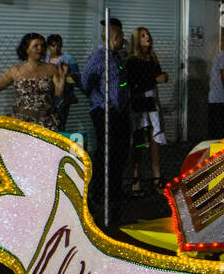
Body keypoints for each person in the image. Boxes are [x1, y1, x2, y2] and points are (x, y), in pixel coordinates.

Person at [83, 18, 130, 229]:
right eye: (121, 36)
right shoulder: (97, 57)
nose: (123, 39)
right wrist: (103, 101)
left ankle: (115, 190)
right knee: (105, 152)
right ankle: (99, 194)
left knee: (121, 151)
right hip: (104, 112)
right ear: (114, 38)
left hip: (120, 112)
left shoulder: (117, 57)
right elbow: (86, 83)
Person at [0, 33, 65, 130]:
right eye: (36, 46)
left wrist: (62, 80)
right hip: (22, 122)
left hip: (46, 122)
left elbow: (58, 93)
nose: (41, 48)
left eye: (43, 46)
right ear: (26, 49)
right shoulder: (15, 71)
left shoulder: (52, 69)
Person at [126, 26, 168, 195]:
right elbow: (133, 83)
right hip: (138, 101)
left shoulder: (152, 57)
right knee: (137, 141)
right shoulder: (132, 60)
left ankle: (156, 176)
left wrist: (160, 78)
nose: (147, 37)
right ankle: (135, 177)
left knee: (155, 139)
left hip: (152, 100)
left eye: (148, 34)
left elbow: (157, 77)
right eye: (143, 36)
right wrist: (154, 79)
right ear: (137, 40)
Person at [47, 34, 80, 131]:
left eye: (59, 46)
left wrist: (65, 78)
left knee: (60, 123)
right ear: (49, 46)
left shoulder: (68, 58)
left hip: (64, 96)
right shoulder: (45, 60)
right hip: (49, 95)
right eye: (53, 46)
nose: (56, 48)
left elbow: (76, 77)